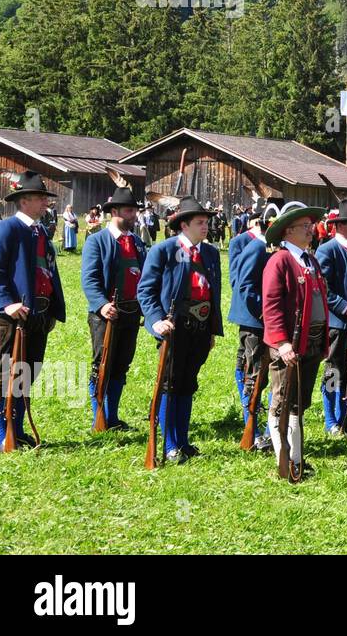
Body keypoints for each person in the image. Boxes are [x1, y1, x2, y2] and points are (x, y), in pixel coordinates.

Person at [138, 196, 223, 463]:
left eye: (207, 222)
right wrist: (156, 321)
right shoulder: (163, 251)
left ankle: (183, 440)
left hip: (200, 328)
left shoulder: (209, 253)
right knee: (170, 385)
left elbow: (214, 294)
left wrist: (211, 330)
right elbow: (146, 290)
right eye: (200, 222)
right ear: (184, 225)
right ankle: (170, 443)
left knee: (188, 384)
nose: (205, 227)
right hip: (174, 328)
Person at [0, 172, 65, 450]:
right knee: (8, 373)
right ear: (25, 200)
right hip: (10, 315)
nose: (46, 202)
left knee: (29, 372)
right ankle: (2, 436)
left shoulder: (40, 231)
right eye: (41, 198)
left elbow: (49, 272)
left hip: (38, 315)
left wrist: (53, 309)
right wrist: (7, 301)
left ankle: (17, 432)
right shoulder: (6, 229)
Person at [262, 202, 329, 477]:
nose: (310, 230)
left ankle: (297, 457)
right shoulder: (279, 260)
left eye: (310, 226)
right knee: (283, 400)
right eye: (304, 226)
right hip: (289, 344)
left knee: (299, 402)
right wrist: (282, 341)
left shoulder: (309, 260)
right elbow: (272, 305)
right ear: (288, 231)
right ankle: (285, 458)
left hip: (311, 342)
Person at [80, 186, 146, 431]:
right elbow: (89, 279)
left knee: (121, 365)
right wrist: (102, 305)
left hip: (131, 313)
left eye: (134, 211)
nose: (133, 215)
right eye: (129, 211)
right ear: (114, 211)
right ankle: (99, 419)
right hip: (106, 314)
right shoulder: (97, 241)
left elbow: (145, 277)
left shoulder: (137, 242)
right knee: (102, 365)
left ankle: (113, 416)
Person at [229, 204, 280, 452]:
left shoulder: (269, 247)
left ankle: (264, 429)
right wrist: (266, 313)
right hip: (255, 321)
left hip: (265, 321)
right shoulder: (257, 247)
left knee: (262, 373)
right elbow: (246, 286)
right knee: (253, 374)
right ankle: (253, 428)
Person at [315, 198, 347, 437]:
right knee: (333, 370)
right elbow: (323, 288)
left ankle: (345, 414)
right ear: (341, 225)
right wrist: (345, 307)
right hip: (336, 321)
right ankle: (331, 419)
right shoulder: (327, 250)